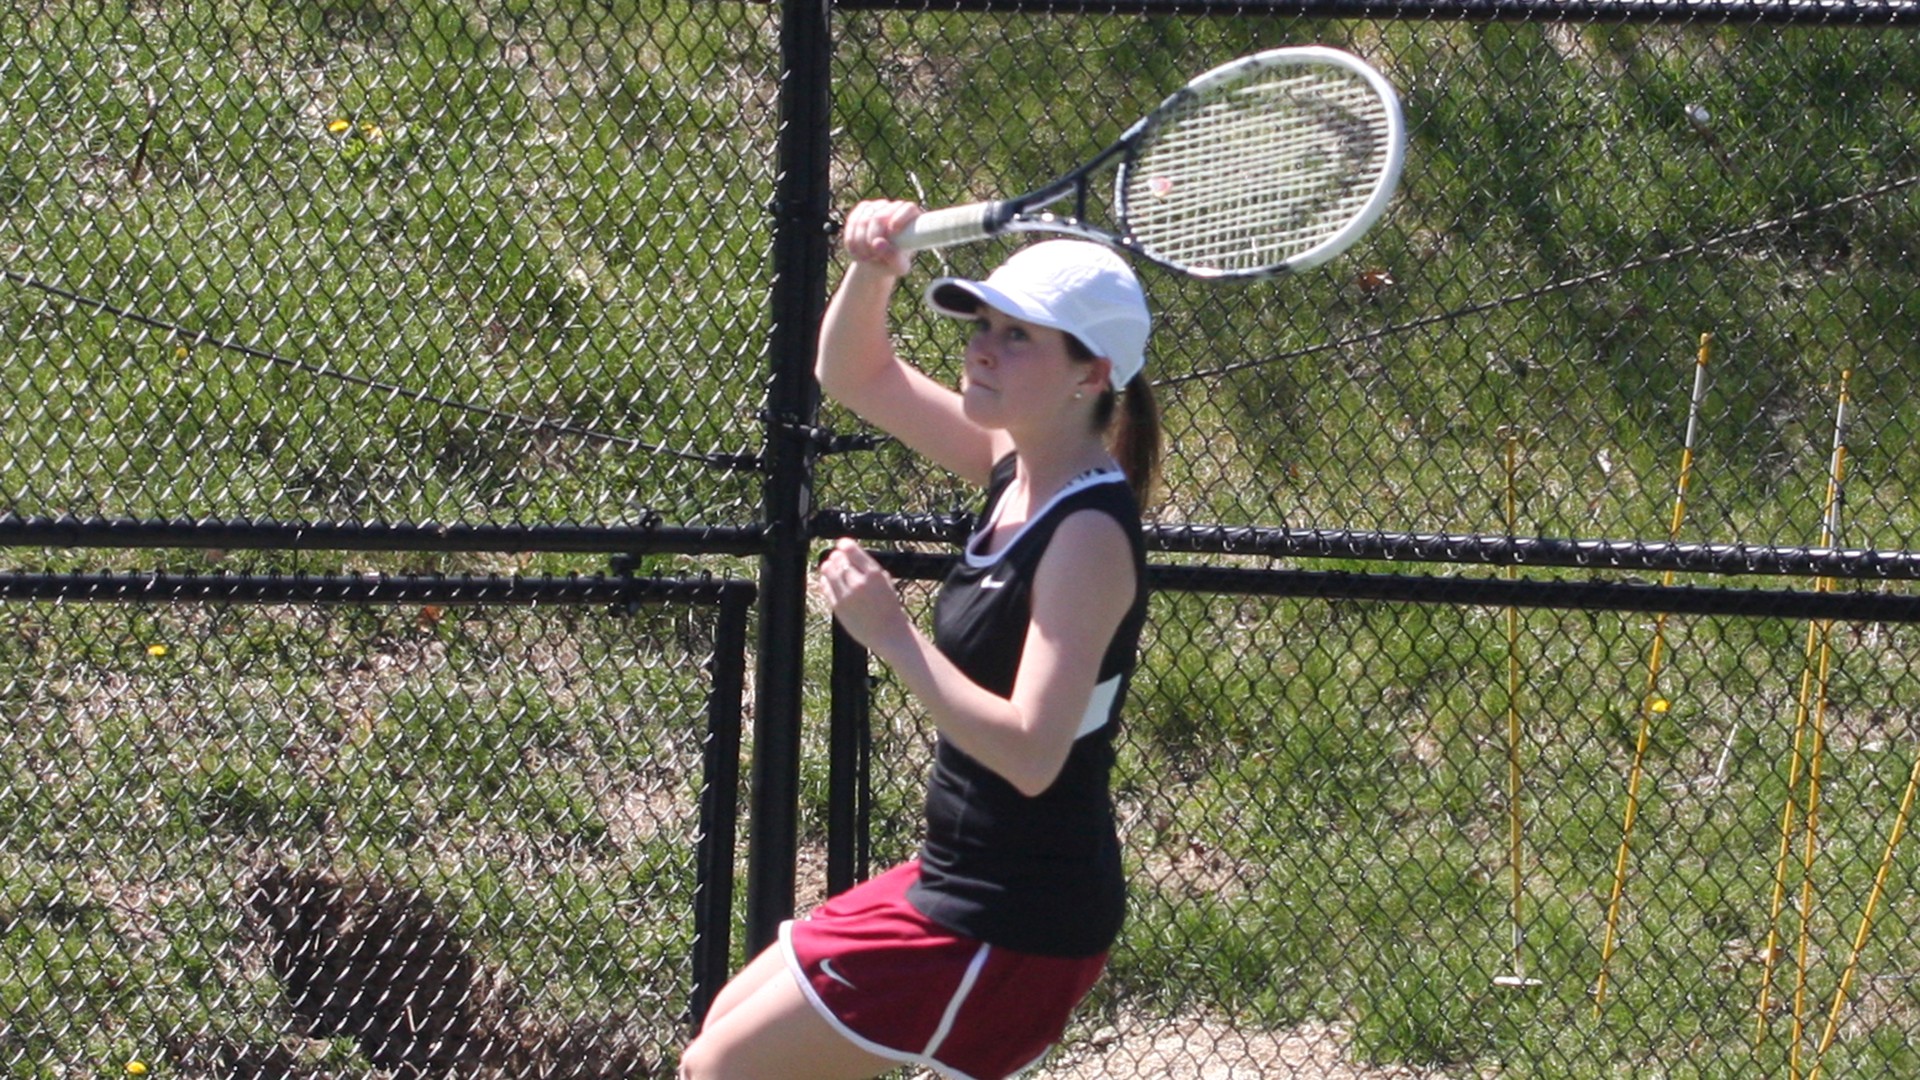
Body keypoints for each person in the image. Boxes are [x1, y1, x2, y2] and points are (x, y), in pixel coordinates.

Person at [679, 200, 1161, 1080]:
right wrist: (873, 267)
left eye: (1019, 337)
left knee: (725, 1070)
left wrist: (892, 637)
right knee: (726, 1029)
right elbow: (855, 374)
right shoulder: (1015, 468)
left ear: (1090, 374)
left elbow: (1031, 754)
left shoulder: (1087, 535)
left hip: (1019, 918)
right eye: (984, 324)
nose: (982, 347)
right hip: (959, 877)